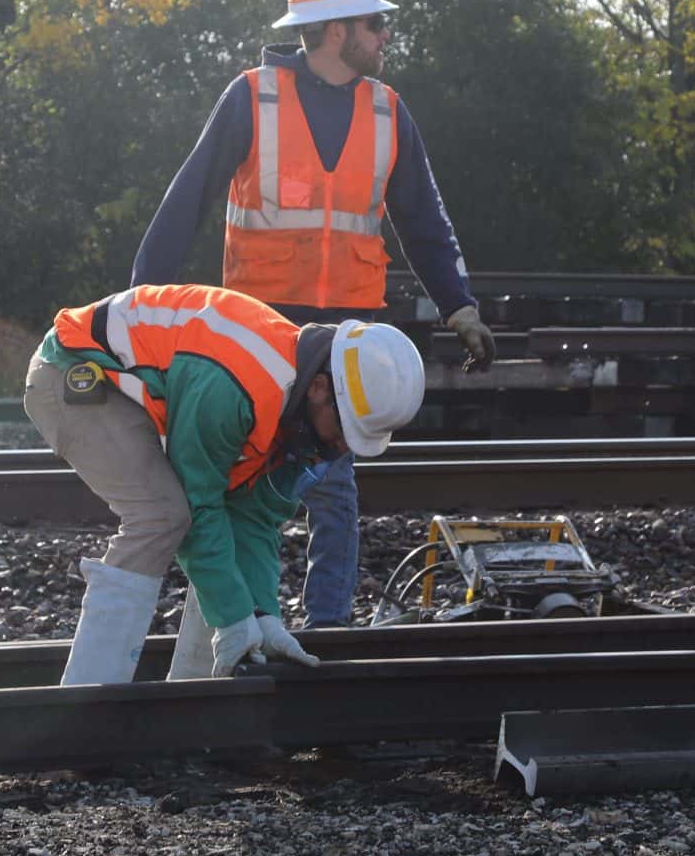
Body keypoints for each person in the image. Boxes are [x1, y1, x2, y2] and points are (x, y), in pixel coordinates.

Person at [131, 0, 493, 629]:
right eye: (375, 23)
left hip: (342, 344)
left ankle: (324, 632)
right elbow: (186, 201)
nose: (385, 35)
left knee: (333, 491)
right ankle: (242, 624)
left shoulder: (387, 111)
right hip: (256, 340)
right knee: (242, 488)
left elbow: (423, 218)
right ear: (336, 31)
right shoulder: (253, 98)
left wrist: (460, 306)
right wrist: (139, 306)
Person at [25, 283, 426, 684]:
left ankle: (194, 703)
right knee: (162, 516)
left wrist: (264, 615)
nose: (341, 448)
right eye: (343, 430)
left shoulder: (295, 410)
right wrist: (234, 618)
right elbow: (198, 503)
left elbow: (254, 518)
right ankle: (89, 692)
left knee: (218, 539)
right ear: (320, 388)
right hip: (73, 368)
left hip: (130, 384)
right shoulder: (236, 384)